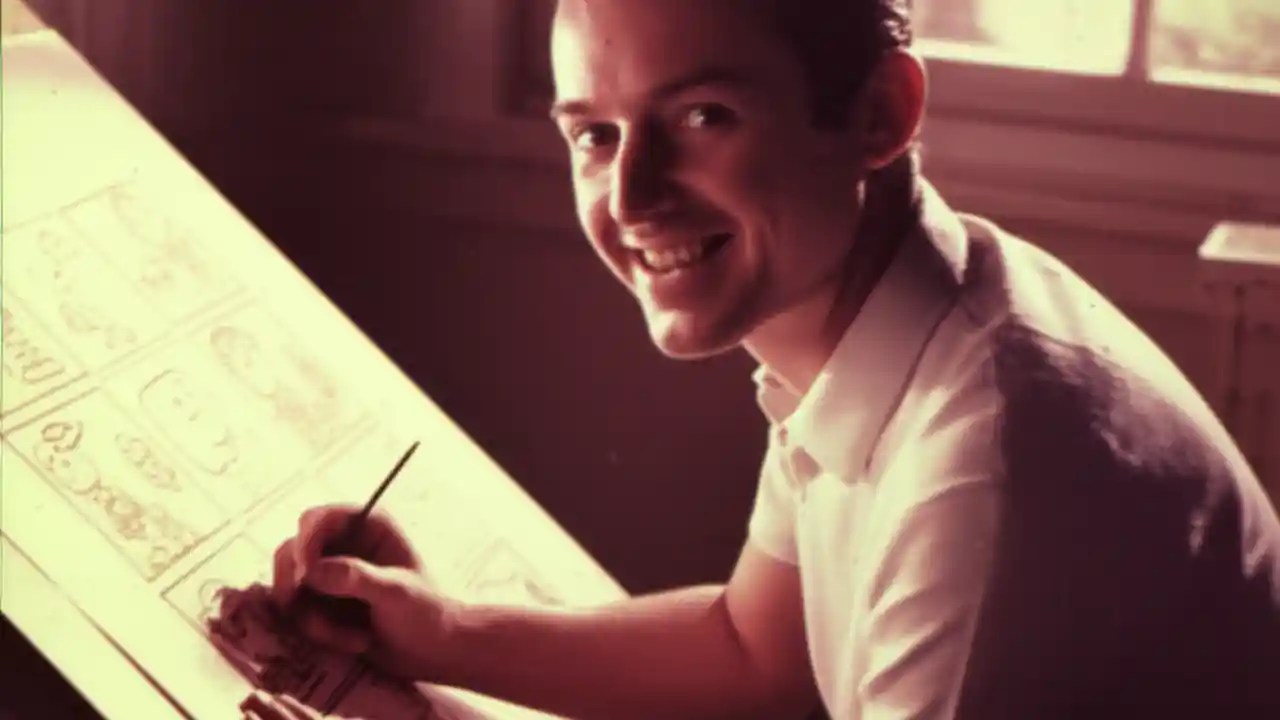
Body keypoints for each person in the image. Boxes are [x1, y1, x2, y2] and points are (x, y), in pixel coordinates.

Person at [241, 1, 1280, 718]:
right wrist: (439, 633)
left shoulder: (985, 471)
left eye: (701, 117)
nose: (631, 196)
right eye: (594, 135)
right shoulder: (894, 319)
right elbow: (754, 652)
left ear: (880, 115)